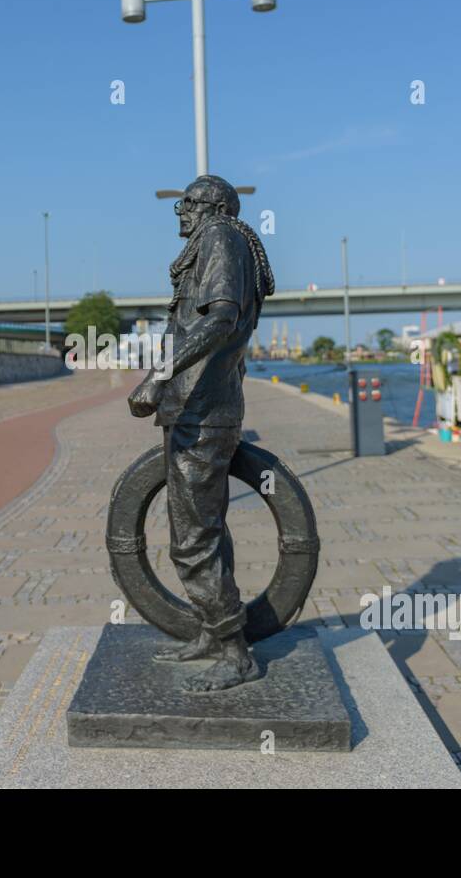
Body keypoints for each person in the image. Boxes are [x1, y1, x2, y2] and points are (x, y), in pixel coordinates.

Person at [126, 174, 274, 692]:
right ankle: (215, 634)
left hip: (203, 410)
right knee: (206, 530)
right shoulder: (216, 242)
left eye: (188, 202)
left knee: (190, 543)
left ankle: (235, 652)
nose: (180, 210)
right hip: (195, 408)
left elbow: (219, 320)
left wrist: (157, 376)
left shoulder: (220, 237)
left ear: (213, 206)